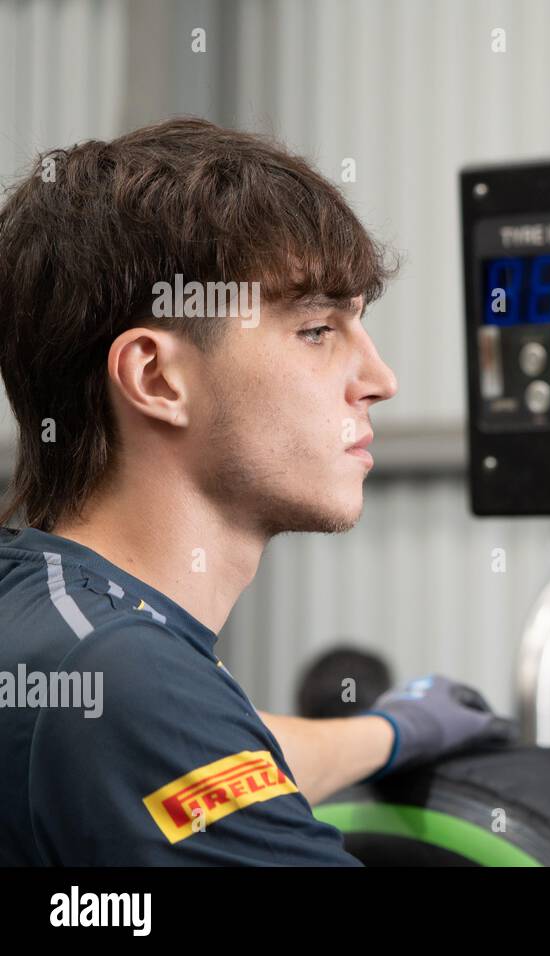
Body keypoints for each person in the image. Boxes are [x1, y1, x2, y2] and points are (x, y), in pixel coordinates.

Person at [0, 117, 513, 865]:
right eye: (315, 330)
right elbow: (157, 731)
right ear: (156, 378)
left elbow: (214, 757)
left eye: (359, 324)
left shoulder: (51, 625)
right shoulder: (121, 679)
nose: (379, 381)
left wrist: (395, 731)